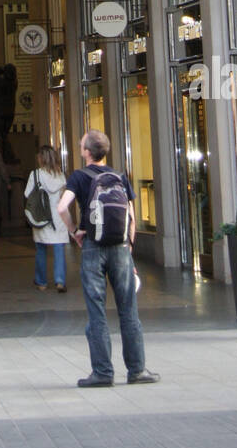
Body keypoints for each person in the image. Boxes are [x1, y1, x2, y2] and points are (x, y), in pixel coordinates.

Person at [57, 130, 160, 387]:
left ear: (87, 152)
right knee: (129, 310)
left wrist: (74, 233)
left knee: (97, 310)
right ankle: (137, 370)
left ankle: (102, 372)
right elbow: (132, 218)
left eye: (82, 146)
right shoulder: (120, 177)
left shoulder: (79, 177)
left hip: (93, 246)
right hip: (120, 248)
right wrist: (129, 250)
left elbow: (61, 207)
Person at [24, 145, 70, 291]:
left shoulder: (36, 174)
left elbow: (27, 194)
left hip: (41, 216)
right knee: (59, 248)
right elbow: (64, 196)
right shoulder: (61, 175)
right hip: (58, 217)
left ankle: (41, 282)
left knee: (41, 249)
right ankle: (60, 281)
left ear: (41, 158)